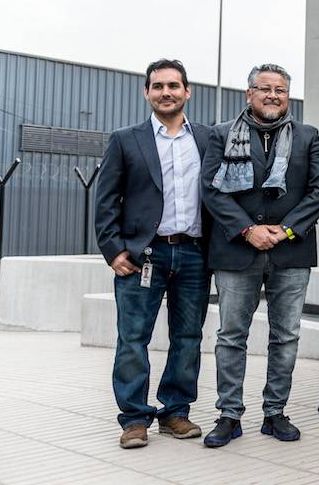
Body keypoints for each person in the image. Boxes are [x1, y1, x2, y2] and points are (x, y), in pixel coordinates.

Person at [200, 63, 319, 448]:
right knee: (231, 336)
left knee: (286, 336)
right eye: (265, 89)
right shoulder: (221, 134)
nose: (273, 96)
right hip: (236, 250)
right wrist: (247, 229)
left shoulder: (308, 136)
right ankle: (229, 415)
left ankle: (275, 413)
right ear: (249, 93)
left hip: (291, 251)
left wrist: (286, 229)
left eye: (281, 90)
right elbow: (211, 190)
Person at [95, 58, 212, 449]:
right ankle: (133, 418)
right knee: (132, 338)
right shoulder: (126, 139)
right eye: (158, 86)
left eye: (173, 86)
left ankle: (176, 412)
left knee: (188, 337)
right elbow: (106, 200)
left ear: (187, 91)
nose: (166, 92)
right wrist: (113, 250)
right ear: (147, 92)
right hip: (143, 256)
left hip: (195, 254)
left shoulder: (208, 139)